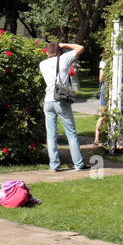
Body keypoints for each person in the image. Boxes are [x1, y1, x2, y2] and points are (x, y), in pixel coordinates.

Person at [40, 41, 86, 172]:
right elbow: (80, 48)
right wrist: (64, 44)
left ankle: (53, 165)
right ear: (59, 51)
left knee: (51, 135)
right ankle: (78, 163)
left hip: (48, 101)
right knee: (71, 133)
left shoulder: (42, 64)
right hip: (61, 100)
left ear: (47, 52)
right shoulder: (64, 59)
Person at [94, 57, 107, 146]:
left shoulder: (104, 62)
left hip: (106, 89)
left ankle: (96, 140)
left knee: (102, 115)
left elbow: (101, 78)